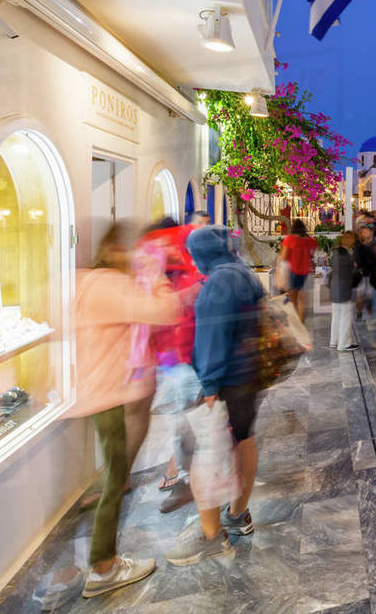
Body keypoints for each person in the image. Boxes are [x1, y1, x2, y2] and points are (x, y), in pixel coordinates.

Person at [72, 223, 183, 598]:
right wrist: (157, 276)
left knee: (114, 475)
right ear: (117, 250)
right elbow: (165, 311)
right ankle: (103, 568)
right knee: (116, 481)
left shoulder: (84, 281)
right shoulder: (111, 285)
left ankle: (101, 557)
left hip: (93, 389)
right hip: (110, 393)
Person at [166, 226, 264, 566]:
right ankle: (238, 514)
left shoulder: (220, 282)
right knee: (244, 441)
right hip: (249, 376)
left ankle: (210, 535)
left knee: (204, 454)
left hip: (226, 381)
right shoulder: (242, 272)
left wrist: (208, 387)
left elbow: (214, 337)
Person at [139, 219, 205, 515]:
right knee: (185, 421)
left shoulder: (177, 268)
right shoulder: (181, 264)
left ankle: (192, 482)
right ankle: (188, 478)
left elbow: (178, 311)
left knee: (186, 422)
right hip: (178, 356)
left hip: (183, 357)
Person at [327, 231, 359, 351]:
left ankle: (334, 341)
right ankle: (344, 344)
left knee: (336, 316)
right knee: (346, 316)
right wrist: (356, 269)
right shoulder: (345, 256)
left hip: (335, 287)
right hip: (344, 288)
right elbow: (350, 273)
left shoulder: (335, 253)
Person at [279, 219, 317, 320]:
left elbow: (283, 256)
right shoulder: (308, 240)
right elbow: (313, 250)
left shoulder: (289, 239)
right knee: (301, 296)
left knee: (292, 298)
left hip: (293, 271)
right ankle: (301, 319)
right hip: (304, 272)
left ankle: (294, 320)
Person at [353, 224, 376, 318]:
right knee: (361, 293)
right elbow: (357, 259)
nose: (367, 233)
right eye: (364, 232)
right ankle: (360, 311)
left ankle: (369, 310)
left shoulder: (373, 244)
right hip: (362, 273)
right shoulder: (359, 246)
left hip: (370, 273)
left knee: (369, 294)